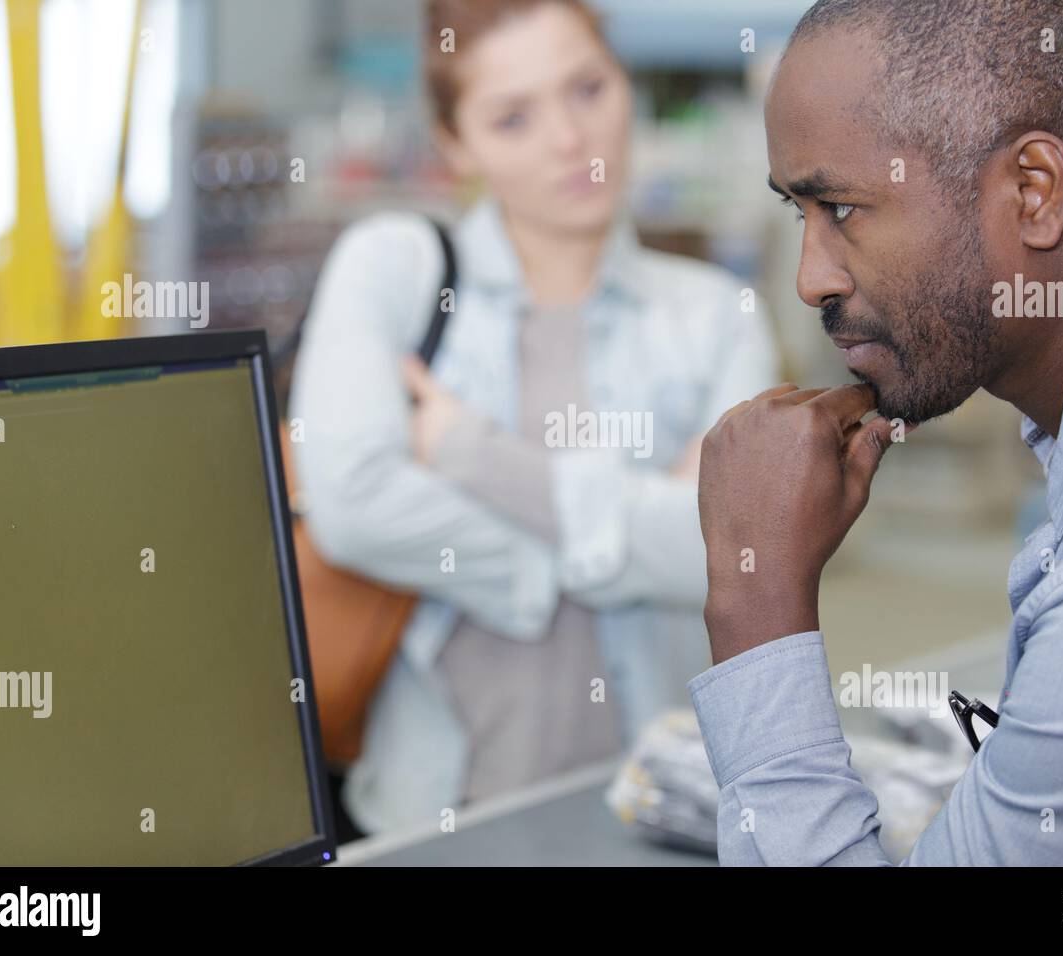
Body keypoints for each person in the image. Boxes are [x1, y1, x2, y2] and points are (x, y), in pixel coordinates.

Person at [692, 0, 1063, 865]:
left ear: (1034, 190)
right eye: (797, 212)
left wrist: (754, 604)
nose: (811, 278)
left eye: (841, 207)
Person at [289, 0, 779, 834]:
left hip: (662, 817)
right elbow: (349, 504)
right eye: (513, 117)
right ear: (455, 143)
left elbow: (732, 557)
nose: (568, 139)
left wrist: (471, 455)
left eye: (587, 88)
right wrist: (576, 555)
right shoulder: (397, 271)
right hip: (435, 818)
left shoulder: (713, 315)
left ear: (623, 82)